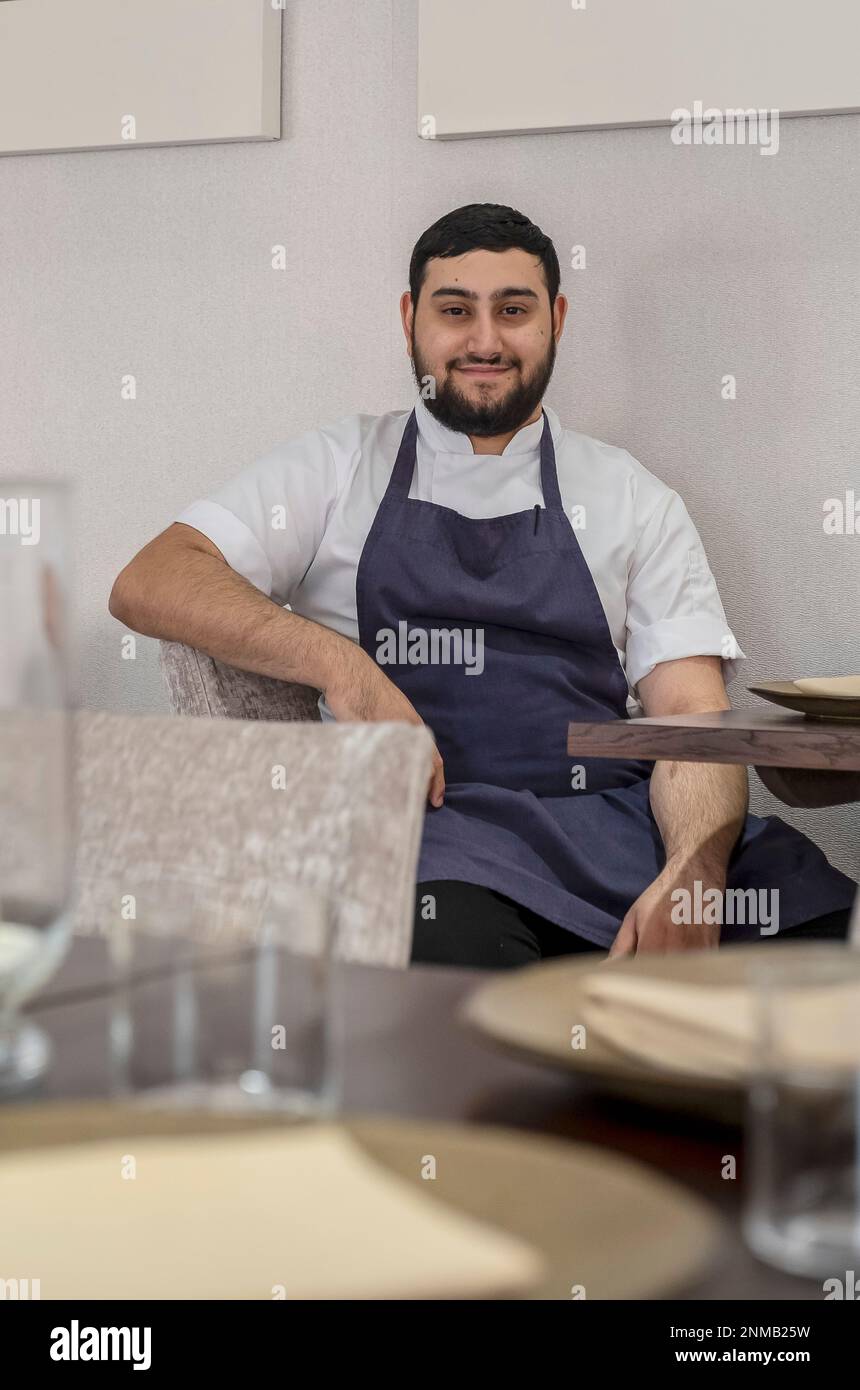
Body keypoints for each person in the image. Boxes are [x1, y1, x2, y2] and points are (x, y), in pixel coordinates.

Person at [109, 203, 857, 968]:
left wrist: (690, 871)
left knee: (830, 959)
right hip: (438, 839)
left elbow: (692, 727)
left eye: (514, 310)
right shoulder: (337, 467)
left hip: (625, 831)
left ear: (556, 319)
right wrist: (346, 671)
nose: (485, 340)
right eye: (455, 310)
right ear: (411, 319)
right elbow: (152, 579)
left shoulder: (633, 496)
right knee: (465, 994)